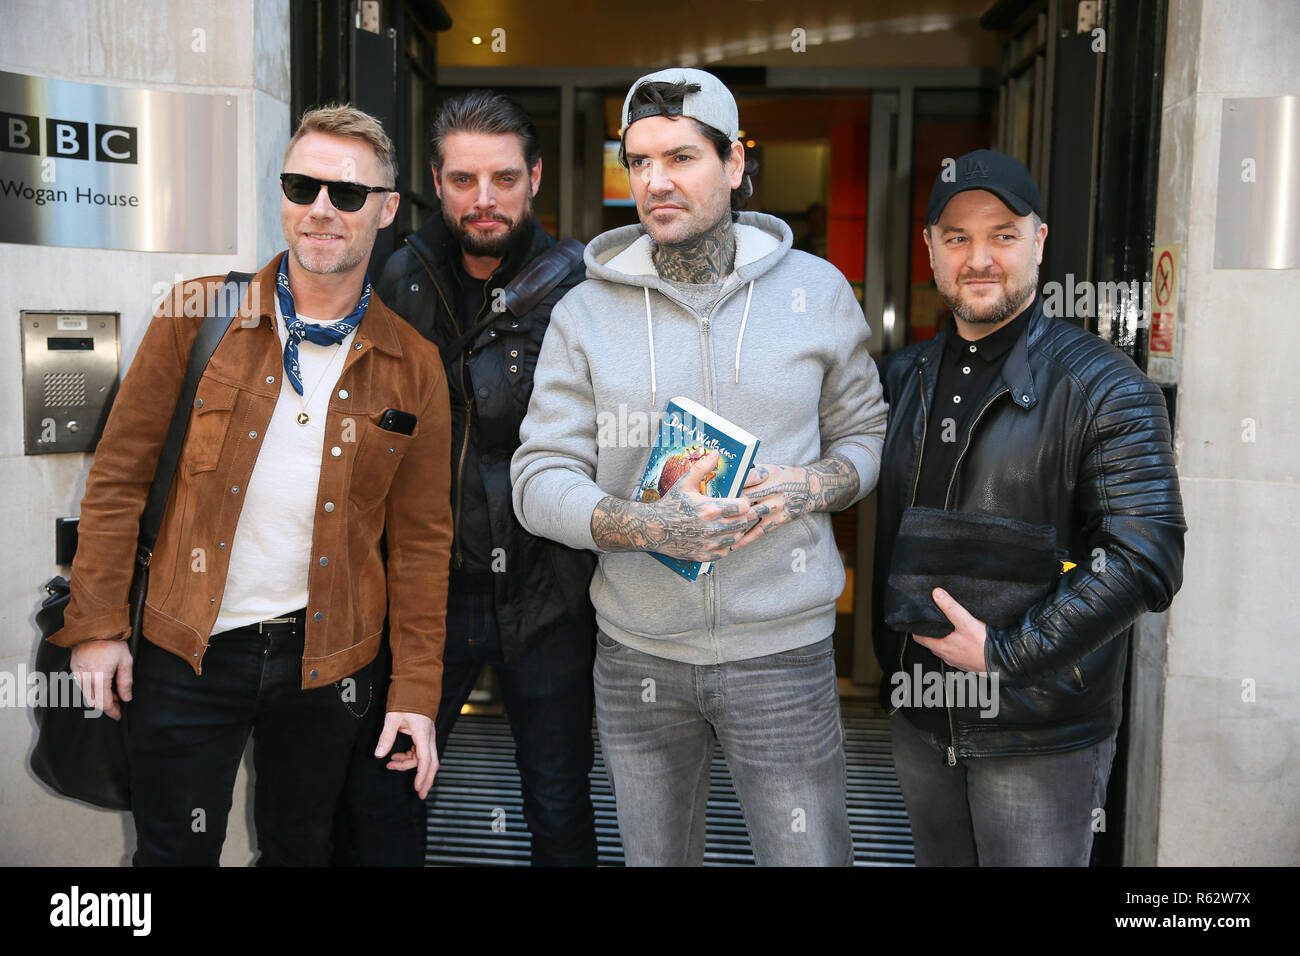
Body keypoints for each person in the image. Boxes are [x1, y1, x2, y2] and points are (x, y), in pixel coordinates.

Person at [50, 105, 452, 866]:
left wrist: (415, 693)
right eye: (302, 186)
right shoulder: (195, 314)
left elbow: (424, 545)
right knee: (172, 854)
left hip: (328, 660)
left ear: (389, 208)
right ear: (282, 196)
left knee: (301, 850)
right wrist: (98, 625)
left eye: (347, 193)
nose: (321, 210)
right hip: (186, 647)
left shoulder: (414, 363)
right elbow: (117, 479)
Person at [511, 68, 887, 866]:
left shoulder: (816, 293)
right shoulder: (583, 312)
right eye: (638, 161)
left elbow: (866, 437)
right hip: (637, 654)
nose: (655, 181)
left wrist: (812, 485)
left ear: (735, 162)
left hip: (782, 653)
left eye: (680, 157)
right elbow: (538, 478)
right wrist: (643, 526)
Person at [872, 148, 1186, 866]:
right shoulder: (901, 379)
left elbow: (1148, 558)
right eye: (957, 237)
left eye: (1003, 235)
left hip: (1038, 734)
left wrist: (1006, 655)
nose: (979, 258)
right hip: (921, 720)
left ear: (1039, 243)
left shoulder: (1108, 388)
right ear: (930, 251)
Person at [333, 90, 598, 867]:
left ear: (535, 177)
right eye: (462, 180)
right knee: (385, 795)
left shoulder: (582, 287)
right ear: (435, 182)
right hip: (424, 595)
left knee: (557, 800)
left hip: (549, 593)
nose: (484, 200)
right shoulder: (393, 280)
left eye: (504, 179)